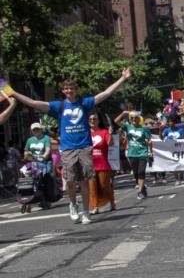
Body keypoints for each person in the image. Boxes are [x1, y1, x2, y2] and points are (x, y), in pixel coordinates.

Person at [11, 69, 131, 224]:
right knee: (71, 181)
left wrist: (122, 78)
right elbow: (34, 103)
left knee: (85, 181)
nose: (69, 91)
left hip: (85, 147)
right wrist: (14, 93)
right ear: (63, 91)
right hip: (68, 149)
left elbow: (105, 94)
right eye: (66, 89)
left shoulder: (84, 103)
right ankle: (73, 204)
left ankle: (86, 211)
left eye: (72, 89)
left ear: (76, 90)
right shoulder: (58, 106)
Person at [115, 110, 153, 199]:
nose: (133, 119)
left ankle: (140, 191)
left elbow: (149, 141)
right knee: (136, 173)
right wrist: (123, 113)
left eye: (135, 117)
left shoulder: (144, 129)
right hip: (132, 153)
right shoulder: (127, 127)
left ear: (138, 119)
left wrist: (151, 152)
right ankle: (142, 187)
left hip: (142, 153)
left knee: (141, 171)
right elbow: (116, 121)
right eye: (131, 118)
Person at [88, 112, 116, 214]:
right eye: (90, 119)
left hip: (102, 164)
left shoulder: (104, 132)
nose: (92, 121)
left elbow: (110, 144)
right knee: (92, 187)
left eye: (94, 119)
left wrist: (110, 134)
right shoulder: (86, 134)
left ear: (98, 121)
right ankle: (95, 207)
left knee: (105, 186)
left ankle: (112, 203)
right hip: (90, 165)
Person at [162, 116, 184, 184]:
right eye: (169, 122)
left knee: (180, 164)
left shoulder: (181, 130)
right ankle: (177, 179)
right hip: (171, 150)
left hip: (180, 150)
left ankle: (181, 176)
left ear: (174, 122)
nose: (170, 123)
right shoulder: (166, 130)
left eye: (171, 122)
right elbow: (161, 138)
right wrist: (161, 130)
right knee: (173, 164)